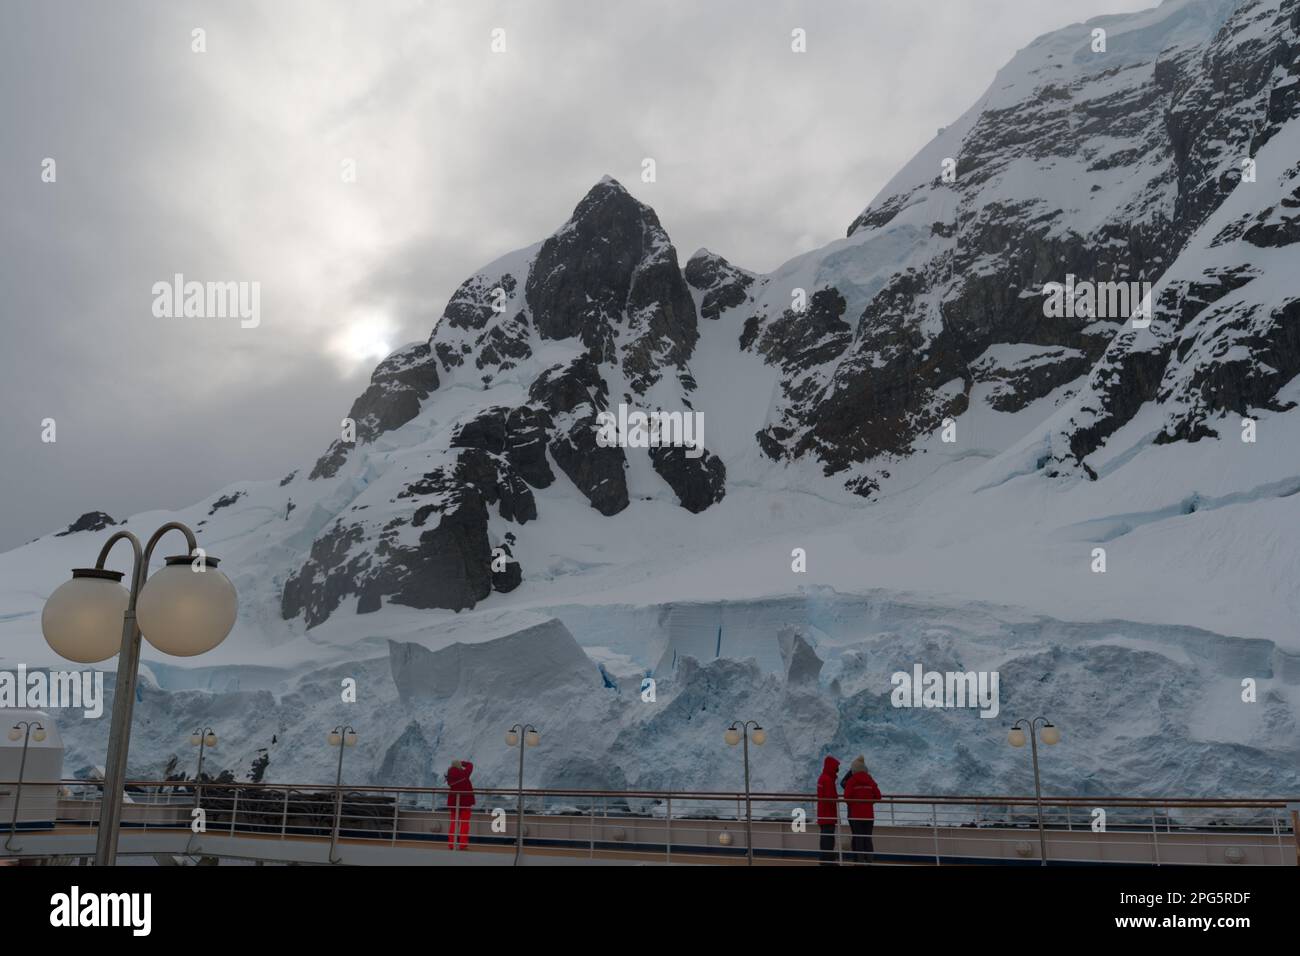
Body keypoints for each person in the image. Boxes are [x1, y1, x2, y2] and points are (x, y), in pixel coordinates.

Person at [840, 755, 881, 864]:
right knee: (867, 838)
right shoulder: (870, 779)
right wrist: (869, 803)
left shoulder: (852, 780)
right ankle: (869, 861)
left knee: (858, 838)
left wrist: (855, 804)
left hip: (856, 815)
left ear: (854, 769)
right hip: (869, 816)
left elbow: (846, 797)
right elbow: (878, 796)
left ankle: (859, 861)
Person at [815, 755, 841, 865]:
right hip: (828, 814)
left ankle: (825, 860)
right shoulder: (827, 779)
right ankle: (828, 861)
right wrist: (836, 798)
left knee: (825, 839)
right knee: (828, 839)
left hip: (823, 814)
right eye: (836, 768)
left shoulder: (823, 777)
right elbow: (831, 797)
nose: (837, 771)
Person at [445, 759, 475, 850]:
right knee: (464, 824)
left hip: (454, 802)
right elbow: (470, 765)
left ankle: (451, 844)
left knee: (454, 823)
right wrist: (462, 763)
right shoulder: (464, 773)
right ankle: (462, 844)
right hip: (465, 803)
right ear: (459, 766)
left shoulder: (450, 775)